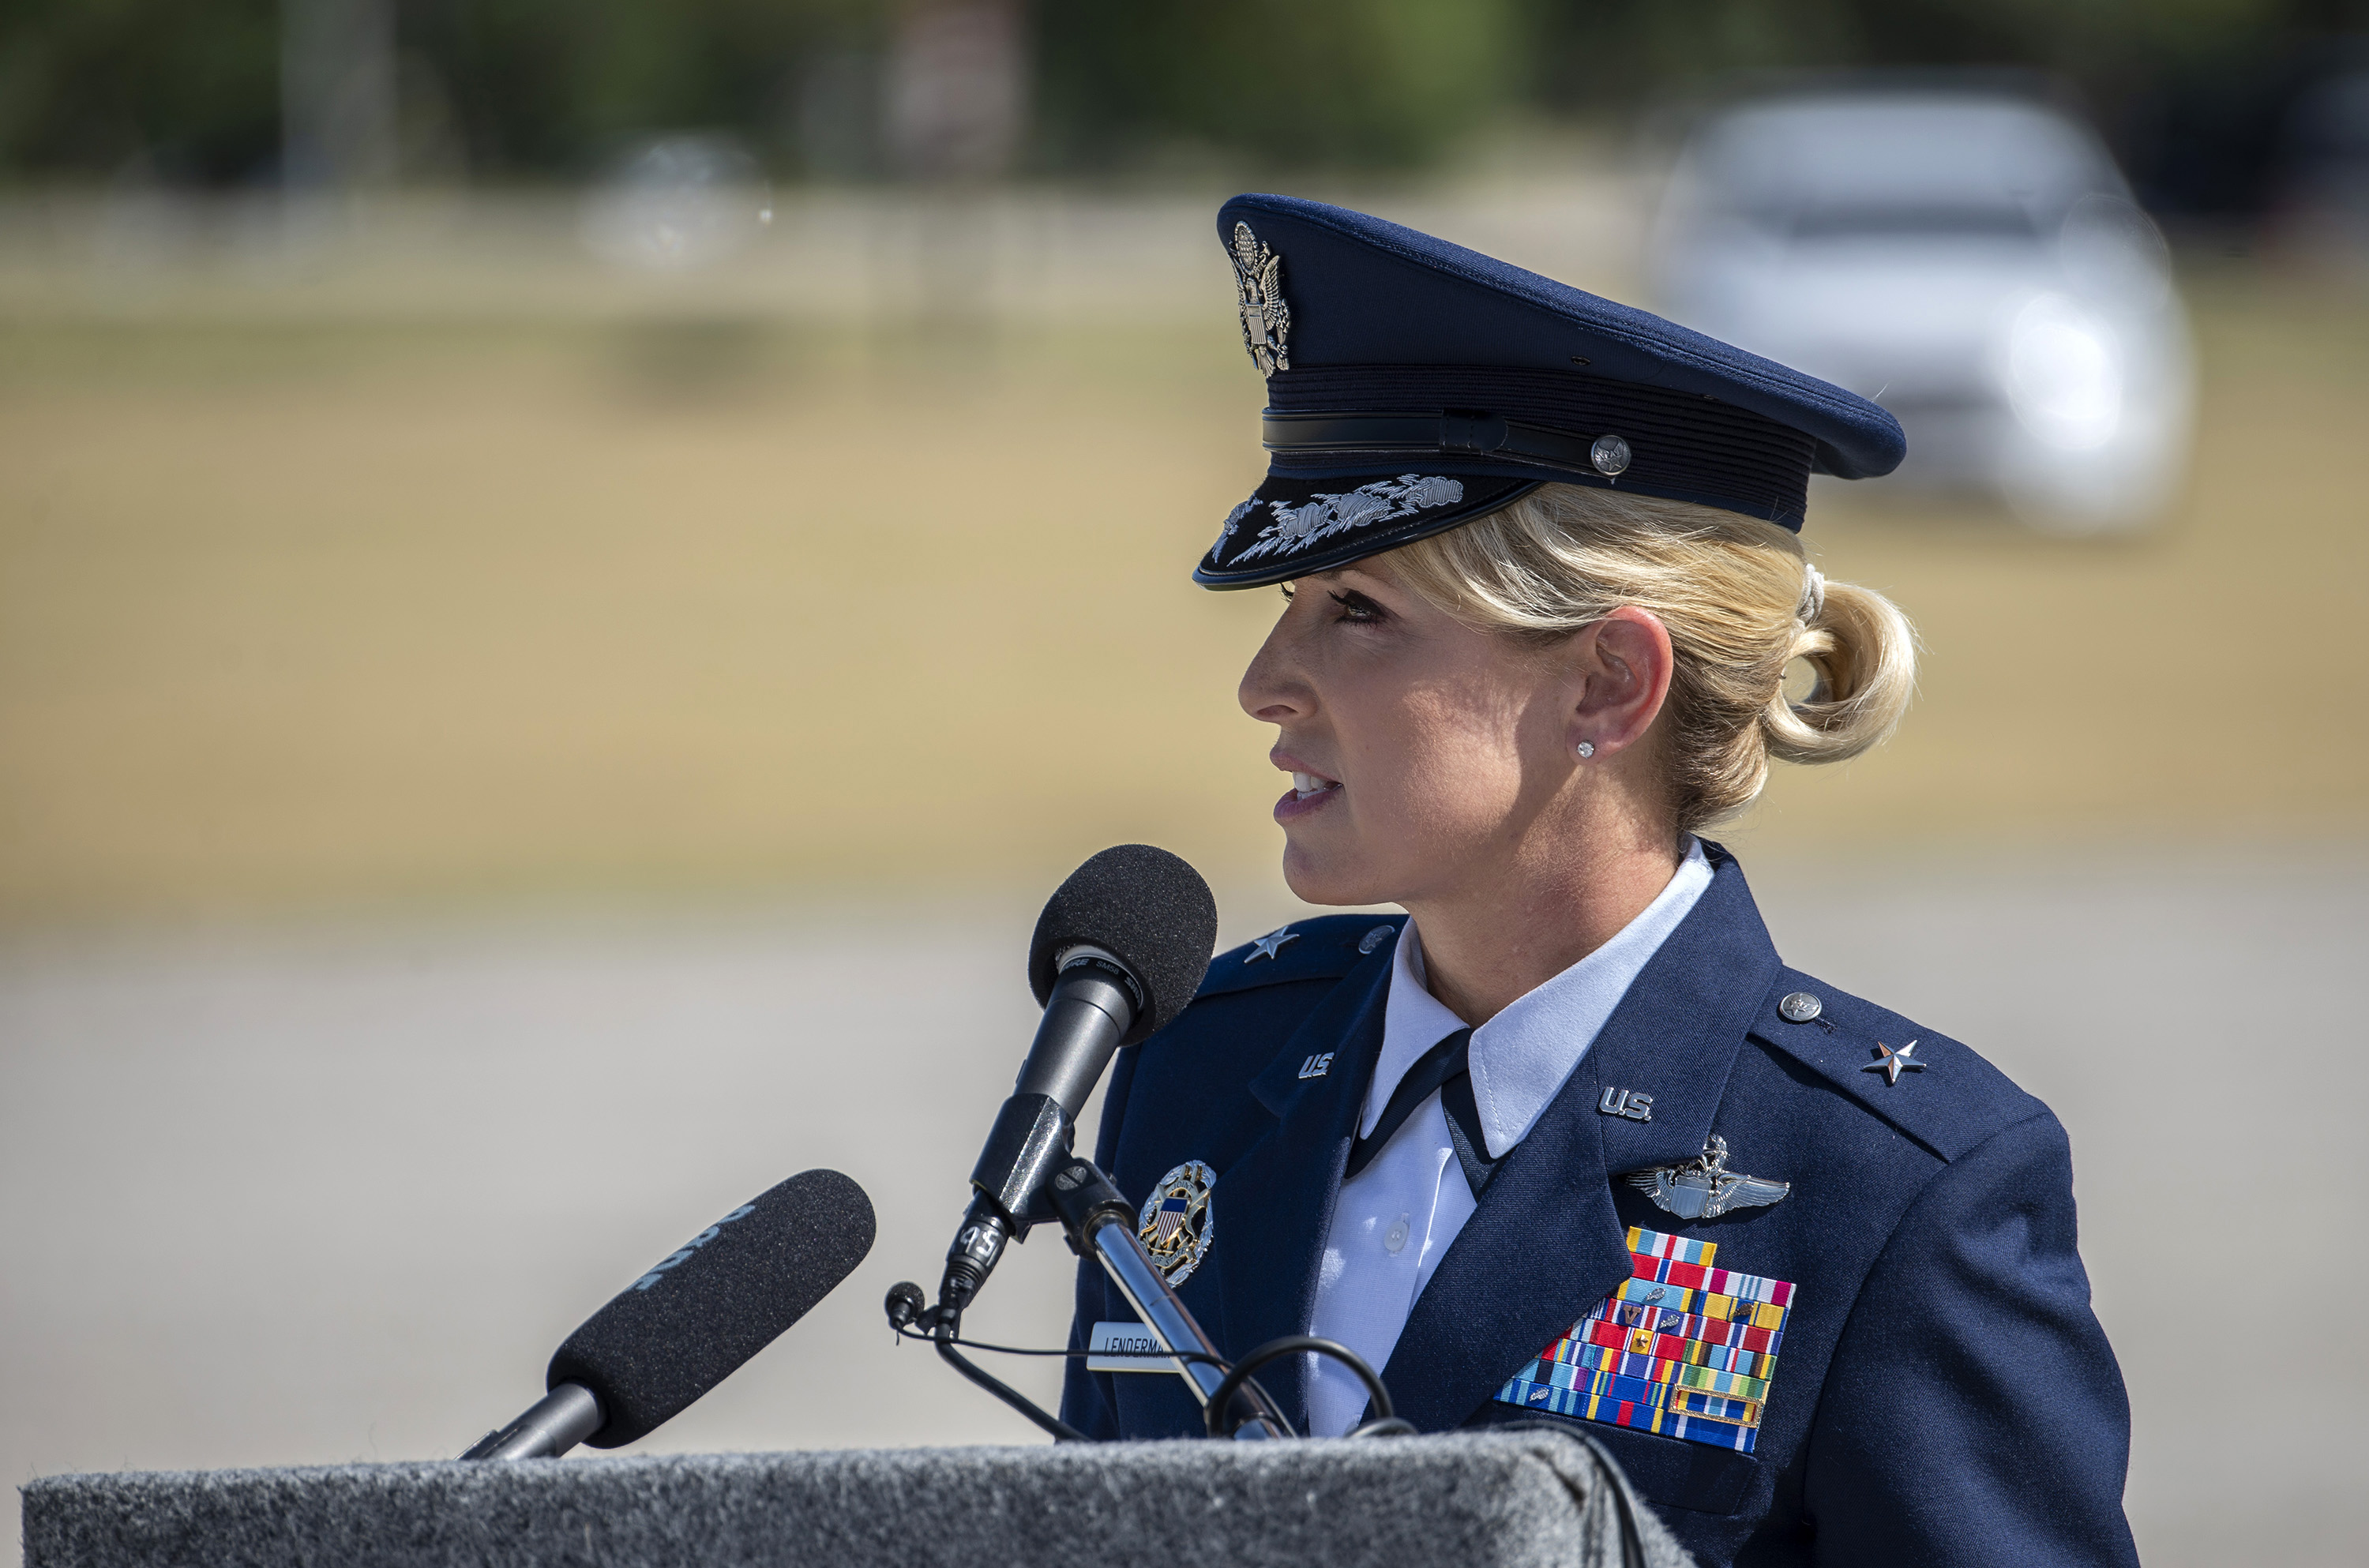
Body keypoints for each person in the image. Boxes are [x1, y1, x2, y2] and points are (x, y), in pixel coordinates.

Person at [1058, 195, 2138, 1568]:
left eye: (1359, 610)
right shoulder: (1203, 1062)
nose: (1265, 684)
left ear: (1610, 681)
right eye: (1290, 609)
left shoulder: (1889, 1188)